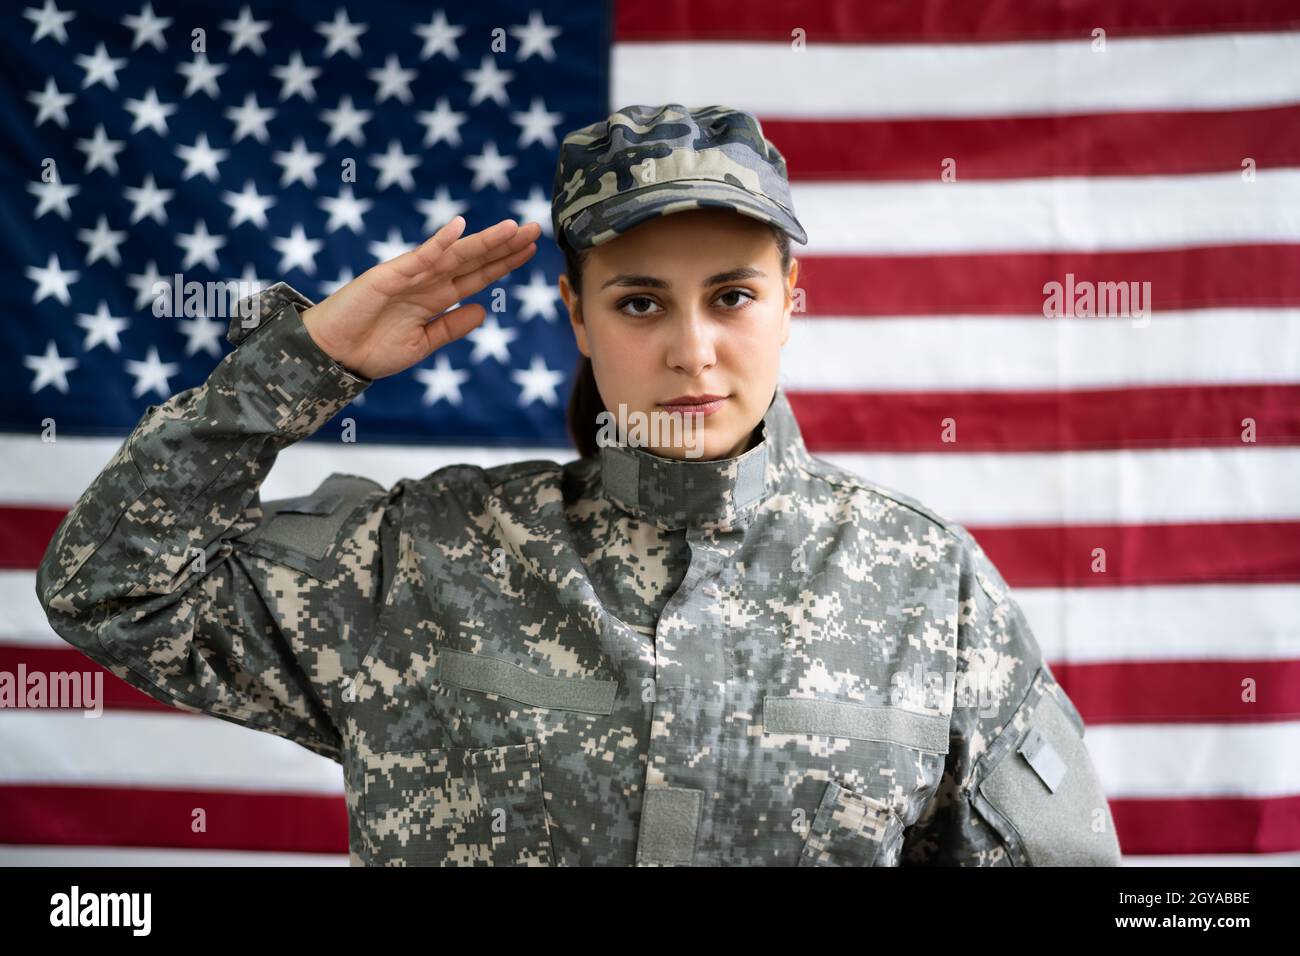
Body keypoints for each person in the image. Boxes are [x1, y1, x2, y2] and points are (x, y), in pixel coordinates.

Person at [36, 103, 1122, 867]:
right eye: (641, 302)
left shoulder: (930, 592)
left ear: (793, 299)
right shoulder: (426, 559)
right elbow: (116, 584)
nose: (693, 351)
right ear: (576, 315)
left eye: (733, 296)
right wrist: (305, 362)